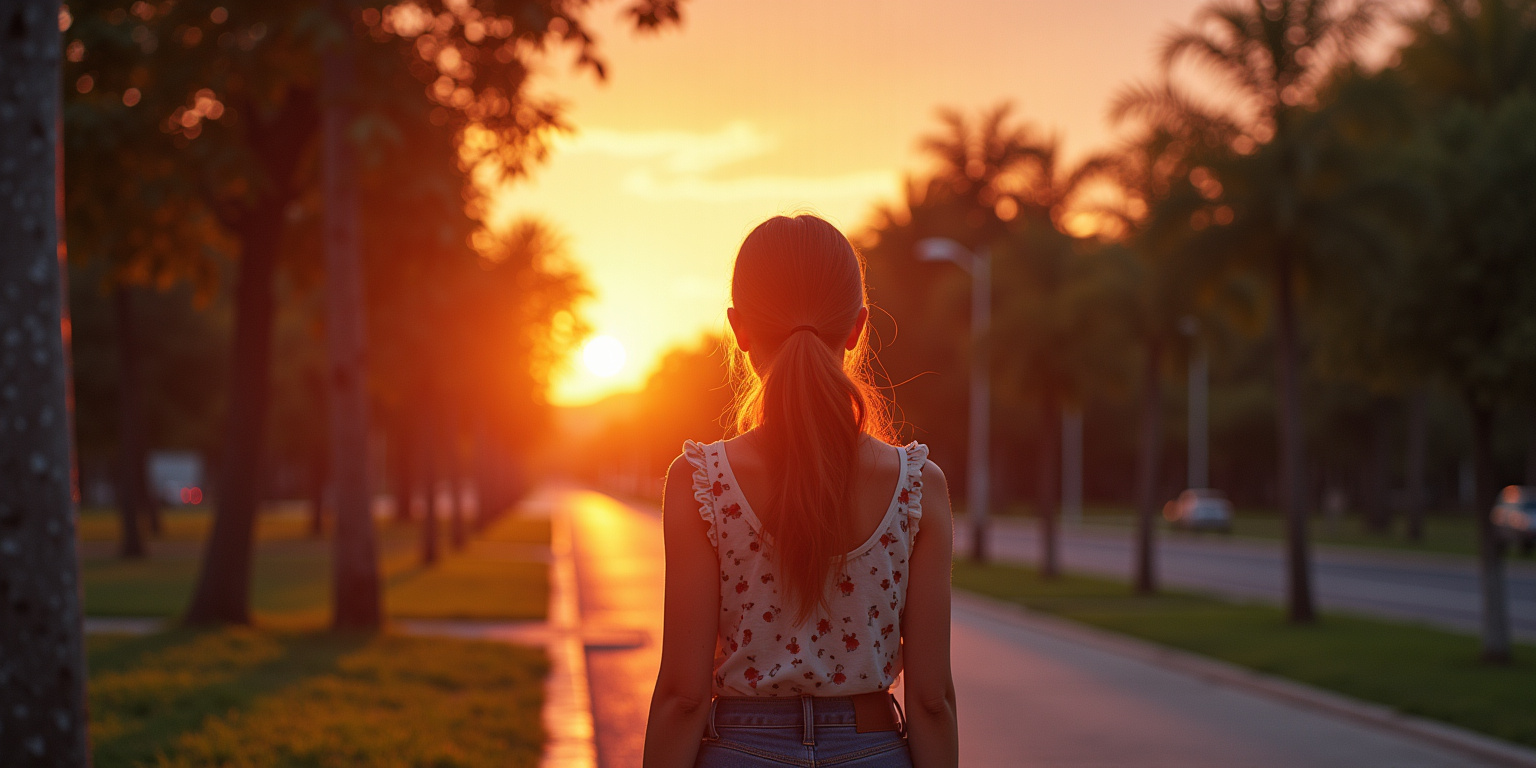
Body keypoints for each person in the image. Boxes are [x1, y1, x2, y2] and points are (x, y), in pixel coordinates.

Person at [643, 214, 958, 768]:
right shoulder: (917, 487)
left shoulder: (701, 482)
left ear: (738, 329)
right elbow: (932, 702)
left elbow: (683, 696)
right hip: (873, 748)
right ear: (858, 327)